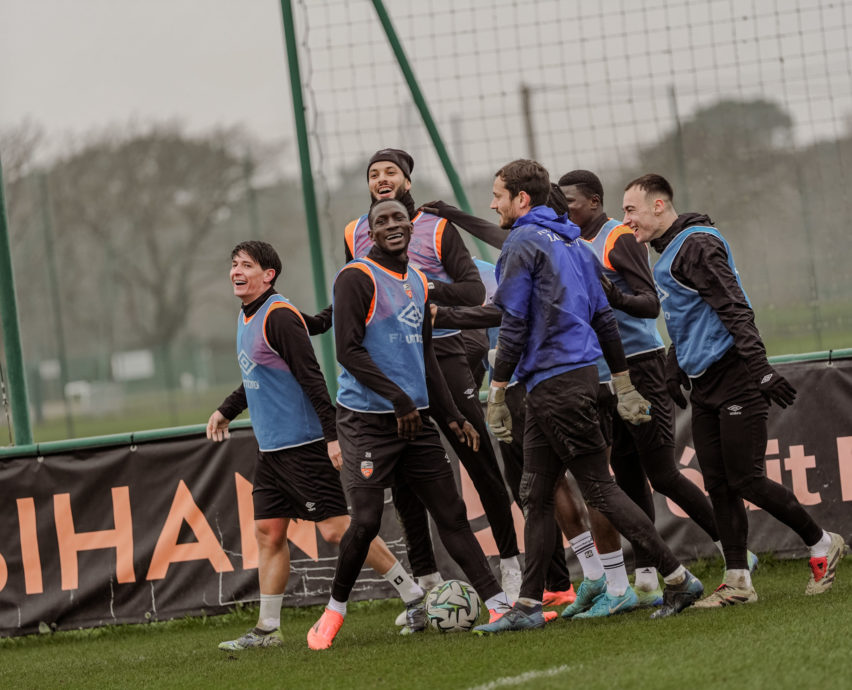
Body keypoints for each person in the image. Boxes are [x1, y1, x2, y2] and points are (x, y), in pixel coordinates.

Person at [472, 160, 704, 634]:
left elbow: (512, 323)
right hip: (574, 381)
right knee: (536, 493)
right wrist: (621, 383)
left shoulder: (523, 242)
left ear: (522, 199)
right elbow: (603, 320)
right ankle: (529, 604)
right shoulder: (574, 243)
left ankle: (678, 578)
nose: (492, 204)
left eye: (498, 195)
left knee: (598, 488)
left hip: (555, 386)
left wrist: (496, 391)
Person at [622, 174, 847, 606]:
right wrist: (673, 366)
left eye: (631, 209)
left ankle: (822, 542)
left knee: (746, 479)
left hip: (737, 376)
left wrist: (760, 370)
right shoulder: (667, 253)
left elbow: (734, 307)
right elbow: (688, 317)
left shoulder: (696, 245)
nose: (626, 218)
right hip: (706, 384)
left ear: (658, 205)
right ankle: (738, 580)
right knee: (719, 484)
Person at [316, 148, 523, 604]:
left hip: (442, 350)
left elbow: (472, 290)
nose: (381, 178)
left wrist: (423, 291)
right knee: (406, 482)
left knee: (478, 458)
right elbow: (358, 291)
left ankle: (510, 565)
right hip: (391, 365)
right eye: (374, 173)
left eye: (391, 172)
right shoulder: (356, 231)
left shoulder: (437, 227)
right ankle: (426, 584)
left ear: (407, 182)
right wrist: (319, 320)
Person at [207, 240, 425, 650]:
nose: (236, 272)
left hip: (304, 445)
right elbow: (257, 373)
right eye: (234, 264)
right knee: (268, 532)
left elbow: (312, 379)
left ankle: (414, 597)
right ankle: (268, 630)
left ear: (268, 275)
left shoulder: (279, 317)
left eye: (246, 266)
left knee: (336, 530)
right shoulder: (248, 314)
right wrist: (226, 410)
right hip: (271, 451)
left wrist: (332, 437)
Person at [558, 169, 758, 611]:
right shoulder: (571, 241)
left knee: (663, 473)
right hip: (606, 373)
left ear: (593, 201)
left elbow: (649, 304)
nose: (563, 209)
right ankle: (647, 577)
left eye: (569, 201)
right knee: (627, 476)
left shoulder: (618, 237)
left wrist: (612, 297)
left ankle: (736, 552)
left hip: (641, 366)